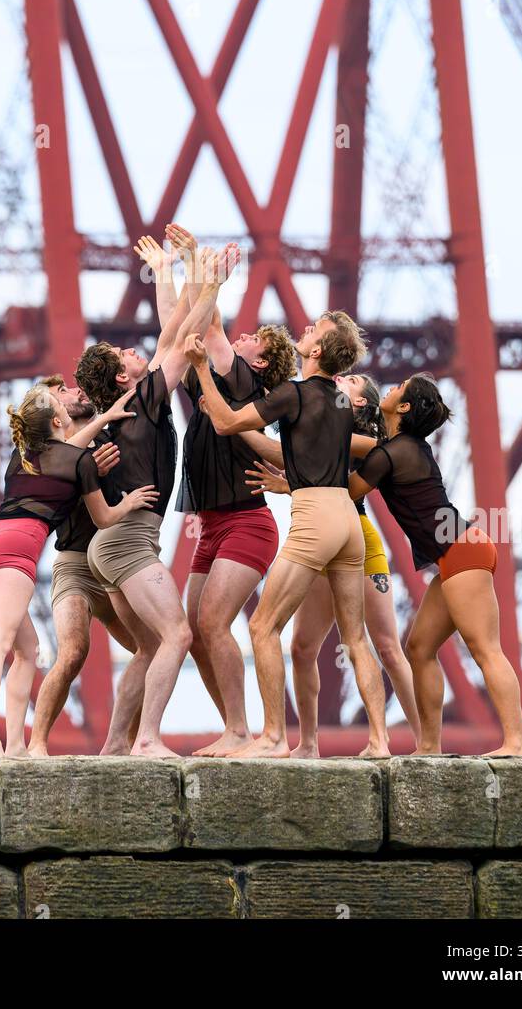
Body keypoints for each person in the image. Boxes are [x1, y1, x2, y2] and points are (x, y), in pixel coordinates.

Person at [185, 312, 389, 759]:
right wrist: (289, 478)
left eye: (313, 331)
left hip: (314, 519)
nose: (304, 331)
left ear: (316, 352)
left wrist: (201, 367)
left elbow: (223, 423)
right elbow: (303, 452)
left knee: (263, 626)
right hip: (348, 521)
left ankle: (274, 736)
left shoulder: (293, 394)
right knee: (355, 638)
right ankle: (379, 741)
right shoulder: (339, 400)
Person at [74, 243, 238, 758]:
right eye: (126, 356)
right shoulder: (143, 398)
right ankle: (147, 739)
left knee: (148, 648)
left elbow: (172, 332)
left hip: (115, 543)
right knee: (177, 635)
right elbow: (181, 335)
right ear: (124, 377)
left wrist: (169, 272)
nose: (135, 351)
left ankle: (116, 746)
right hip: (129, 542)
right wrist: (211, 281)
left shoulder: (128, 403)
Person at [160, 224, 297, 756]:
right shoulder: (211, 379)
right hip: (212, 526)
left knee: (215, 621)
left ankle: (245, 731)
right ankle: (233, 727)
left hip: (247, 523)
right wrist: (171, 273)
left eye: (252, 340)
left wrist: (200, 262)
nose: (243, 337)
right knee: (195, 630)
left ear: (259, 362)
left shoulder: (242, 380)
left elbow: (210, 321)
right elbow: (179, 326)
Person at [0, 384, 158, 759]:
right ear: (58, 419)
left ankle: (17, 748)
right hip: (16, 550)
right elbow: (103, 517)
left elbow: (68, 449)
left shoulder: (22, 454)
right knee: (0, 640)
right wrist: (129, 503)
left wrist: (104, 416)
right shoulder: (79, 462)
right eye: (59, 401)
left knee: (27, 650)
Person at [347, 374, 522, 758]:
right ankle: (429, 746)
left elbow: (348, 492)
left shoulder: (392, 454)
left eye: (398, 388)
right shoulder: (404, 448)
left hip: (464, 553)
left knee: (485, 650)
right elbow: (368, 454)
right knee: (419, 648)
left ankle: (516, 743)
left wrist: (291, 481)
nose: (391, 388)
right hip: (459, 555)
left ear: (405, 407)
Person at [286, 373, 421, 756]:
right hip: (316, 537)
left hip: (357, 536)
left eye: (352, 379)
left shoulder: (359, 440)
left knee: (388, 647)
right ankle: (308, 744)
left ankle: (422, 742)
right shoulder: (322, 422)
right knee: (301, 647)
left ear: (360, 403)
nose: (340, 378)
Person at [25, 379, 142, 758]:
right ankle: (37, 746)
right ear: (54, 413)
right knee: (73, 651)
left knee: (152, 651)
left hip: (113, 562)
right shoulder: (46, 450)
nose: (76, 392)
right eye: (64, 393)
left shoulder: (111, 436)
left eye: (76, 388)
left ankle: (126, 744)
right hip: (75, 563)